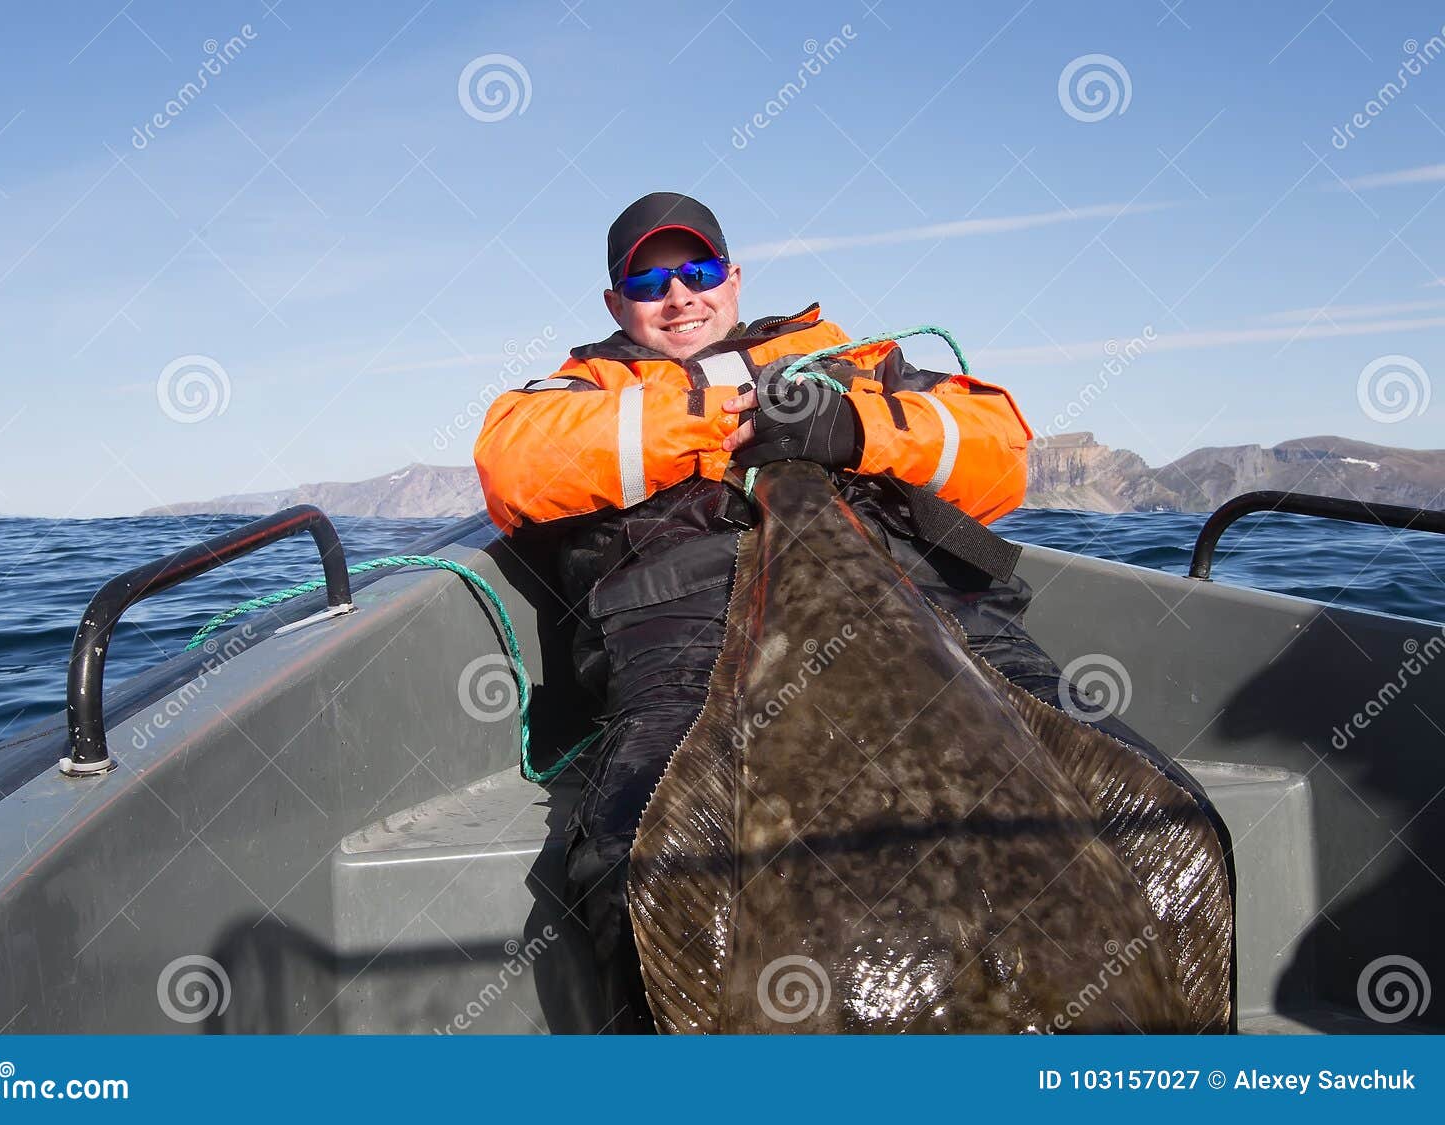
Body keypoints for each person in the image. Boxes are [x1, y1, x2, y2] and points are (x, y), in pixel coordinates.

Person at [472, 192, 1202, 1031]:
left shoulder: (845, 356)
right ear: (615, 304)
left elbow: (998, 454)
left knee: (1160, 814)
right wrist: (725, 418)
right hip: (692, 630)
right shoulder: (588, 384)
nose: (680, 296)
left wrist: (852, 426)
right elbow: (517, 465)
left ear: (734, 278)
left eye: (700, 270)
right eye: (650, 280)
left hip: (926, 601)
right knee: (643, 856)